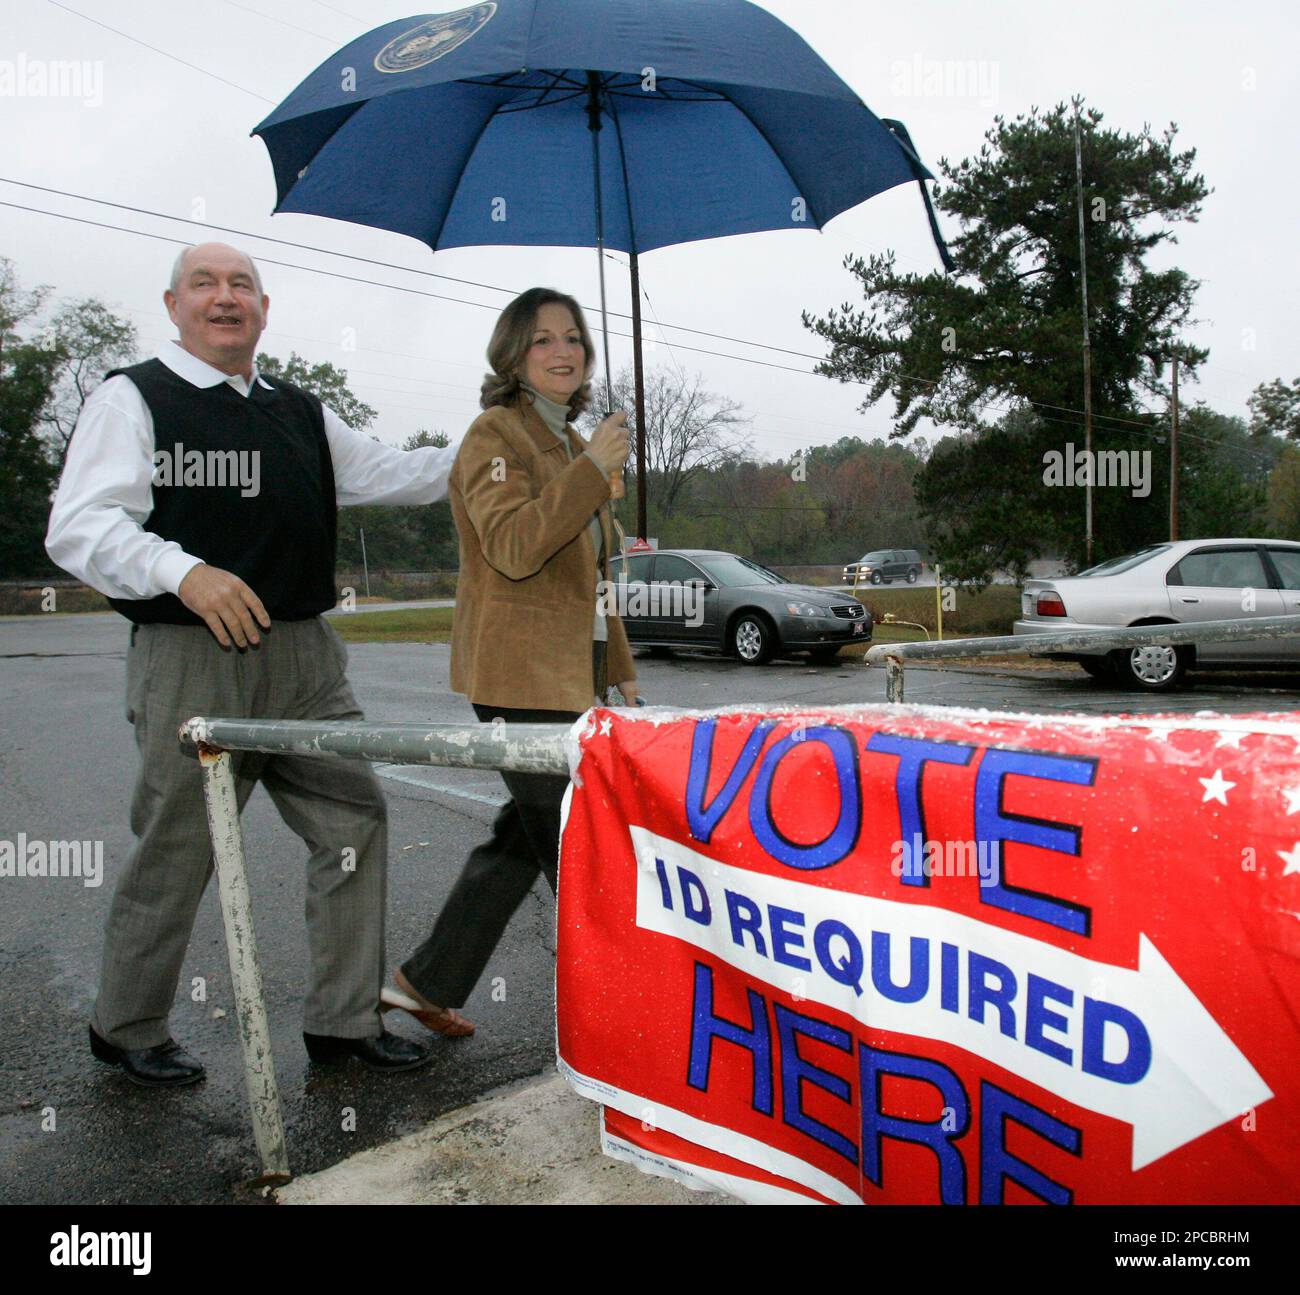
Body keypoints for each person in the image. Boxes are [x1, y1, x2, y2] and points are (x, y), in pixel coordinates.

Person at [45, 242, 458, 1084]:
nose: (225, 297)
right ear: (172, 305)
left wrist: (503, 449)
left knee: (353, 822)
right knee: (180, 844)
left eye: (243, 286)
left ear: (264, 311)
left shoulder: (298, 409)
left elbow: (390, 470)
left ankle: (342, 1026)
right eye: (206, 284)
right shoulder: (133, 397)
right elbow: (80, 526)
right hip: (193, 654)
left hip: (307, 657)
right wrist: (182, 571)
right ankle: (125, 1025)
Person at [383, 287, 635, 1037]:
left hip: (573, 678)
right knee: (576, 842)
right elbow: (517, 548)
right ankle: (621, 1019)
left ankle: (423, 982)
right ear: (512, 356)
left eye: (574, 338)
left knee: (525, 832)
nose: (563, 351)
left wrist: (619, 668)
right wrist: (591, 473)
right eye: (542, 340)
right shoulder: (493, 435)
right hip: (517, 675)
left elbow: (589, 575)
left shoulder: (570, 441)